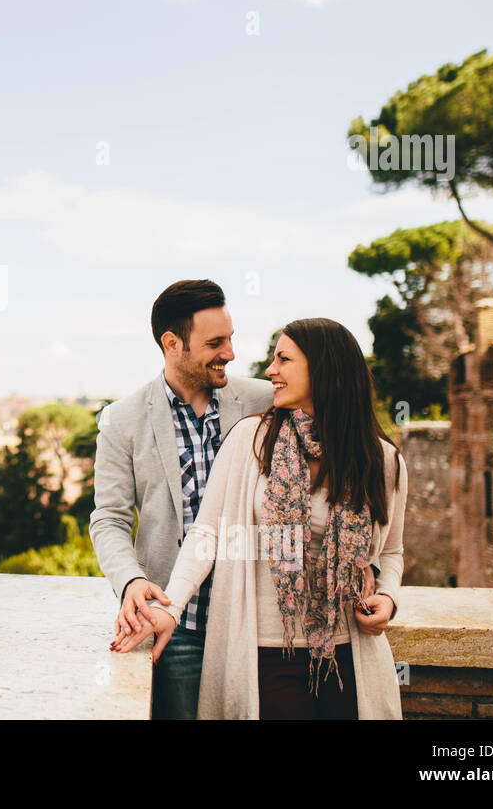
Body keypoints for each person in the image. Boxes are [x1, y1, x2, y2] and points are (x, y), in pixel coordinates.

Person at [112, 317, 408, 719]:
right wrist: (171, 606)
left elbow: (390, 551)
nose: (271, 371)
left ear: (323, 369)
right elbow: (208, 533)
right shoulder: (251, 441)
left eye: (284, 359)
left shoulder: (383, 460)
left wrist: (388, 596)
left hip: (348, 653)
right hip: (267, 654)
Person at [90, 279, 273, 719]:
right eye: (215, 342)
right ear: (172, 343)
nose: (230, 352)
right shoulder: (122, 419)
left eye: (230, 338)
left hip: (254, 618)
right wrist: (131, 581)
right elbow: (109, 519)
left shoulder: (264, 400)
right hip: (176, 627)